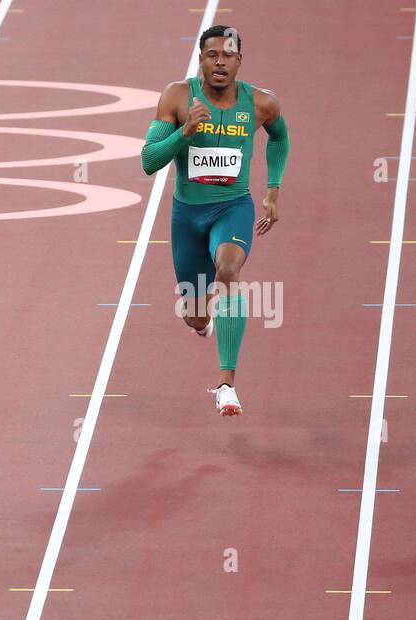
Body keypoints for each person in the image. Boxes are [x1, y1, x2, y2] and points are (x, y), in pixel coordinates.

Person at [142, 24, 289, 416]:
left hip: (233, 208)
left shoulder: (262, 103)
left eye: (228, 54)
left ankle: (226, 385)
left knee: (228, 270)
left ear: (239, 61)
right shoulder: (176, 97)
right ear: (201, 59)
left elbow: (279, 137)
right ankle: (202, 322)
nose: (220, 62)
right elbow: (148, 161)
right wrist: (184, 133)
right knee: (194, 315)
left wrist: (272, 189)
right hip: (187, 216)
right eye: (212, 55)